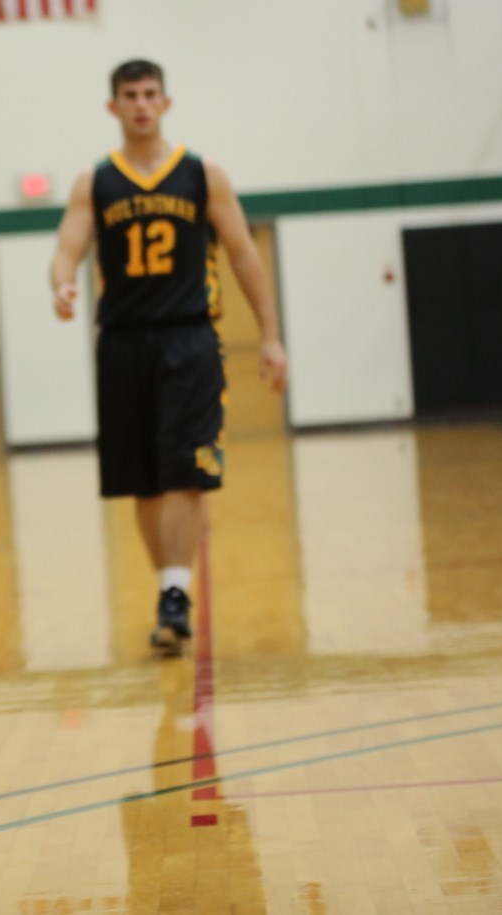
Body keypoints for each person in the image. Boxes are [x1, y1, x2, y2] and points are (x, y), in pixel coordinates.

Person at [49, 59, 288, 654]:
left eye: (150, 94)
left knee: (184, 469)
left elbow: (243, 255)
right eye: (130, 95)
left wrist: (271, 334)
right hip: (123, 342)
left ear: (166, 102)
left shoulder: (203, 175)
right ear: (113, 107)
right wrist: (60, 284)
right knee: (143, 482)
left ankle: (174, 595)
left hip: (189, 337)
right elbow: (65, 249)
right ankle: (169, 587)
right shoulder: (95, 182)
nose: (140, 105)